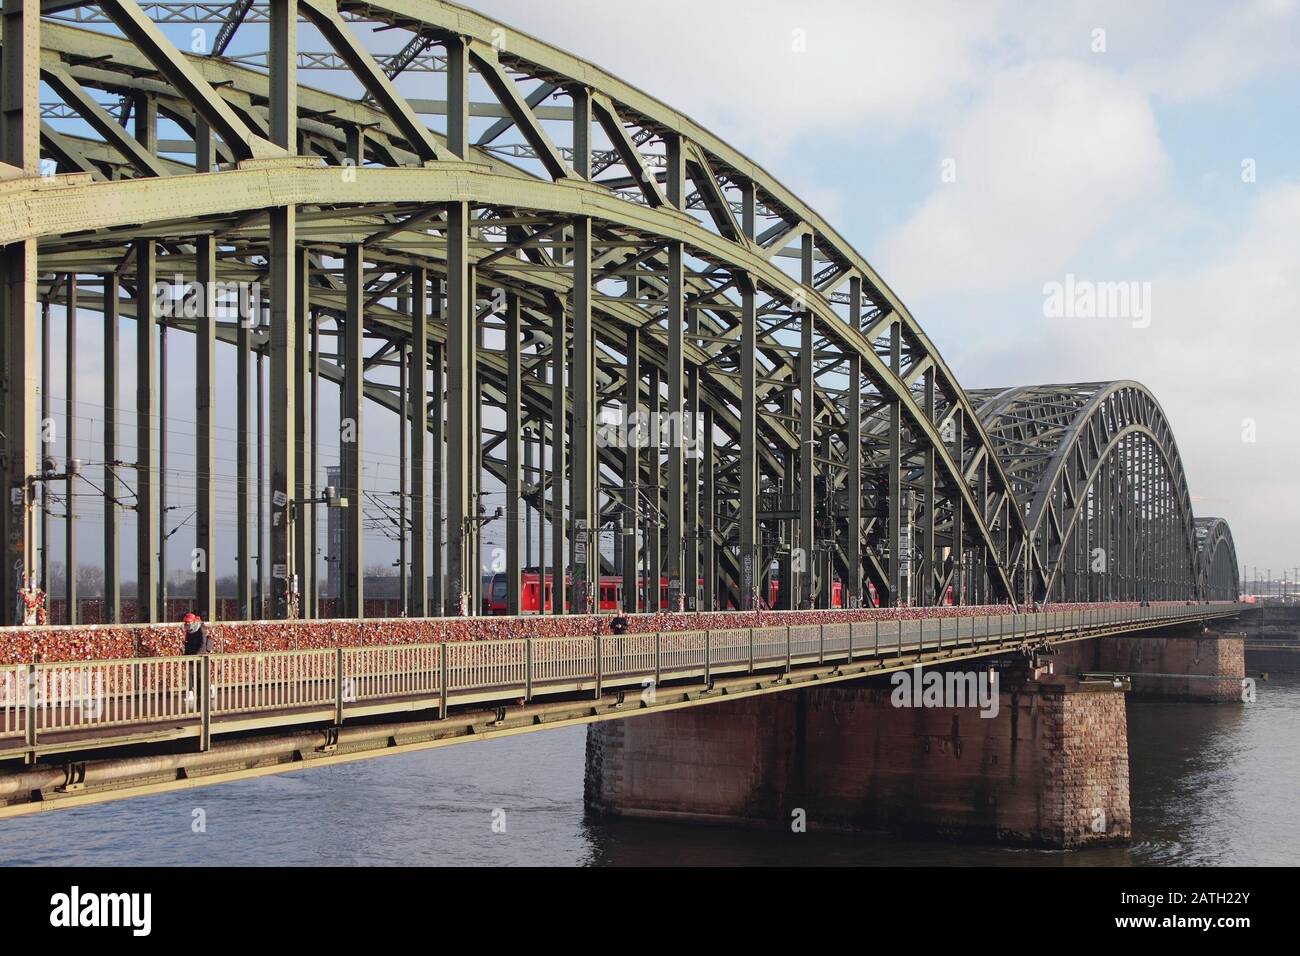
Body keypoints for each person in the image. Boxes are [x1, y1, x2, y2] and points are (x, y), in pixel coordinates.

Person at [182, 612, 212, 709]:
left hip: (200, 656)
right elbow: (188, 644)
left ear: (193, 622)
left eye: (188, 623)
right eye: (185, 623)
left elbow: (202, 643)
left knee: (199, 676)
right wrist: (186, 655)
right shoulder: (189, 631)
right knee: (189, 674)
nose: (186, 625)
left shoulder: (201, 629)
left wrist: (197, 655)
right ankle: (190, 693)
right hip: (191, 656)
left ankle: (206, 690)